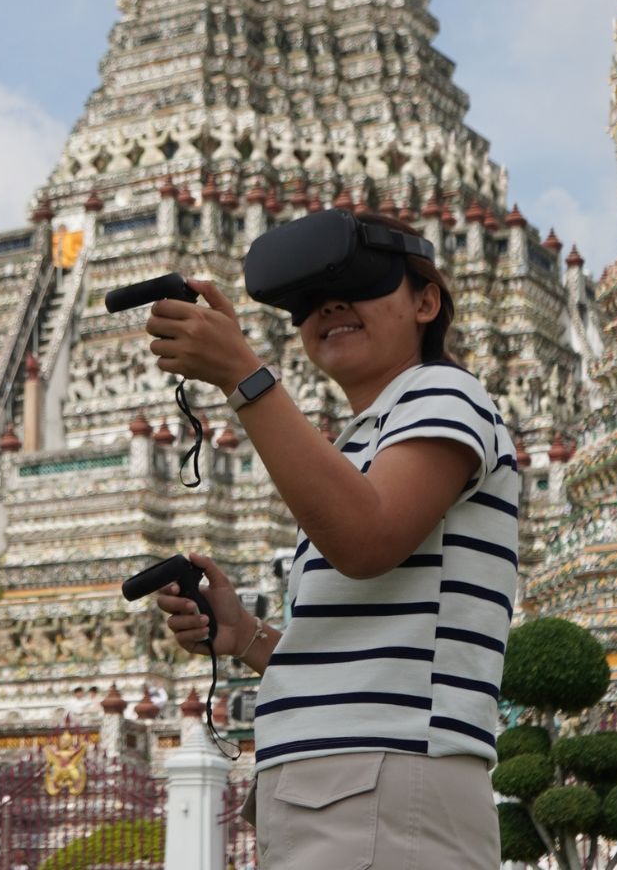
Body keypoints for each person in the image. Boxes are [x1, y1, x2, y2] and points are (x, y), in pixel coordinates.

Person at [143, 211, 516, 867]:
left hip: (385, 777)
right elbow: (367, 650)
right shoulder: (364, 443)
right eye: (308, 300)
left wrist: (243, 376)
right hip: (337, 783)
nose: (330, 306)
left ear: (427, 301)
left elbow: (366, 541)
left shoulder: (445, 392)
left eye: (361, 284)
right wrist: (244, 636)